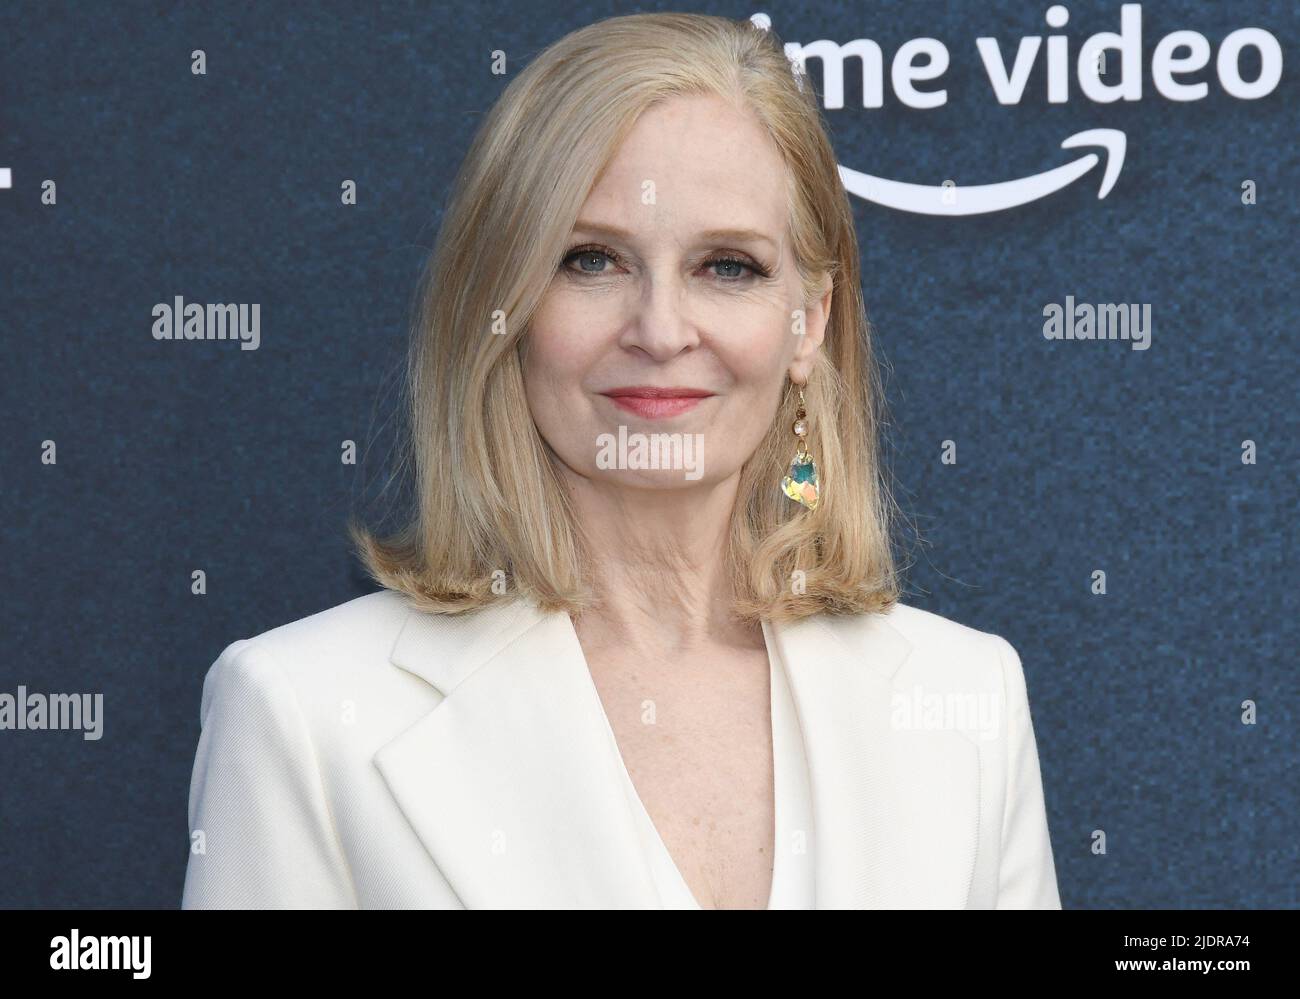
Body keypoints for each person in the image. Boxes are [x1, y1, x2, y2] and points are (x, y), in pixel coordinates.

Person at [181, 11, 1061, 909]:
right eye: (591, 260)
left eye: (728, 267)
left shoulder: (966, 699)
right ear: (503, 304)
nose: (661, 331)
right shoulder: (303, 713)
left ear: (810, 323)